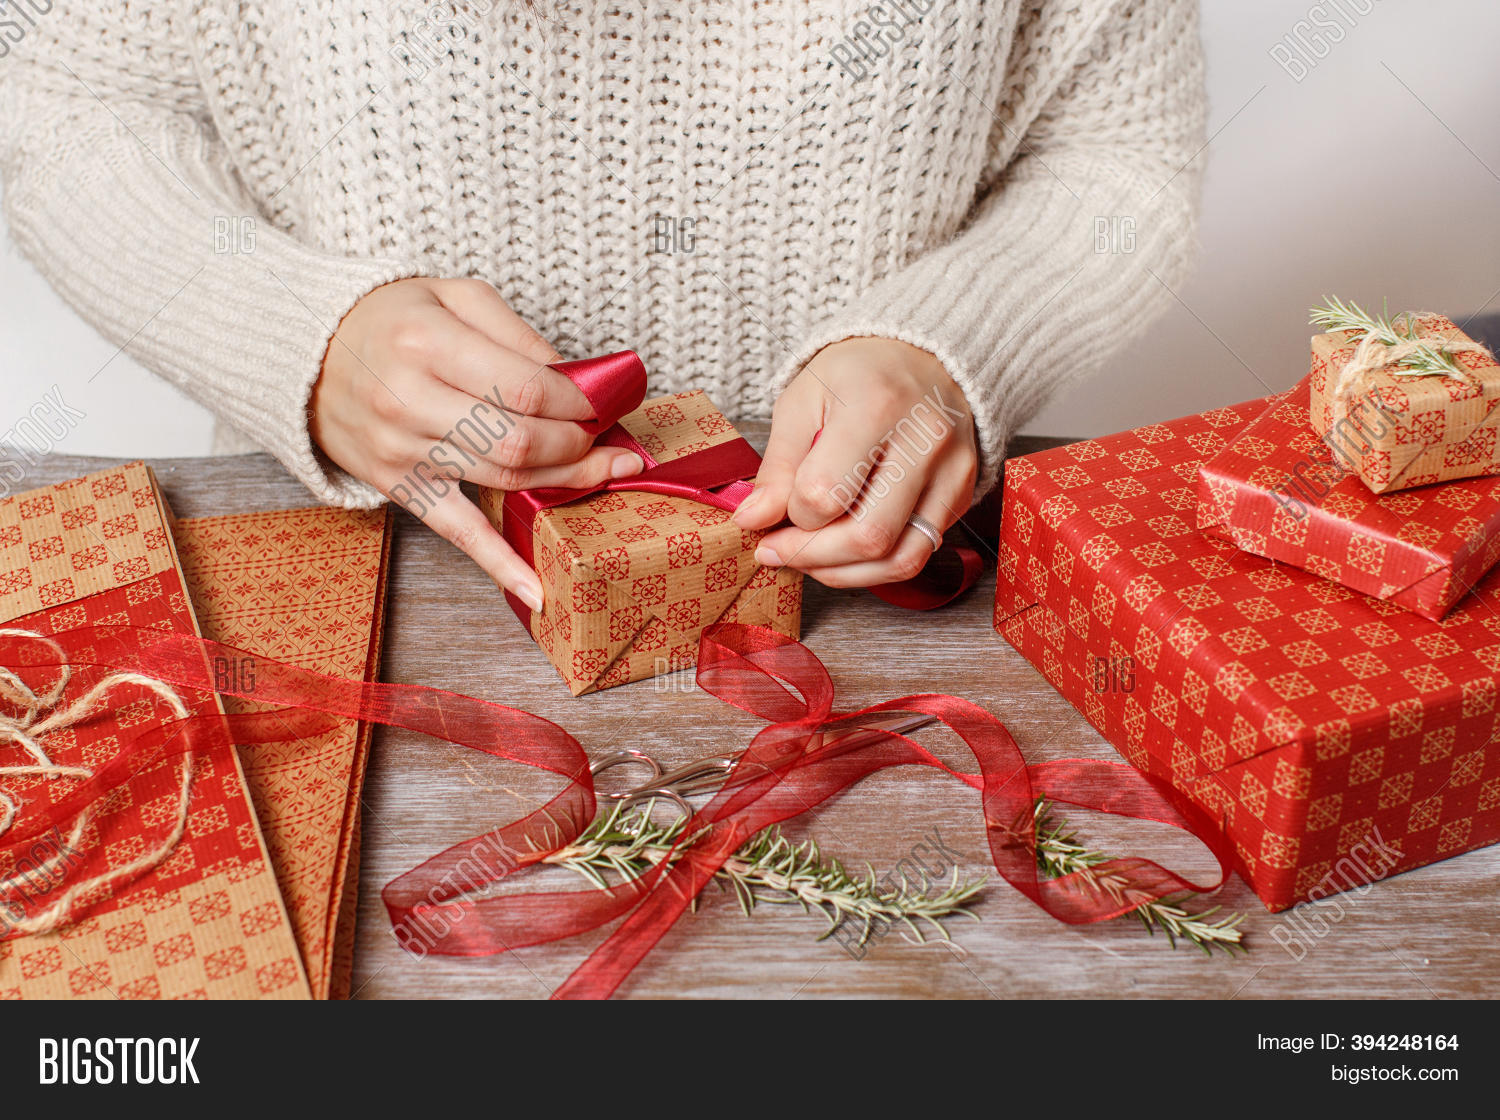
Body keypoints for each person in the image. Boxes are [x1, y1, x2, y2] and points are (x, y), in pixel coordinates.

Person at [0, 1, 1203, 612]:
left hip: (861, 595)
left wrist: (956, 344)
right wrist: (296, 337)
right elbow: (67, 103)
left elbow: (1119, 157)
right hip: (358, 563)